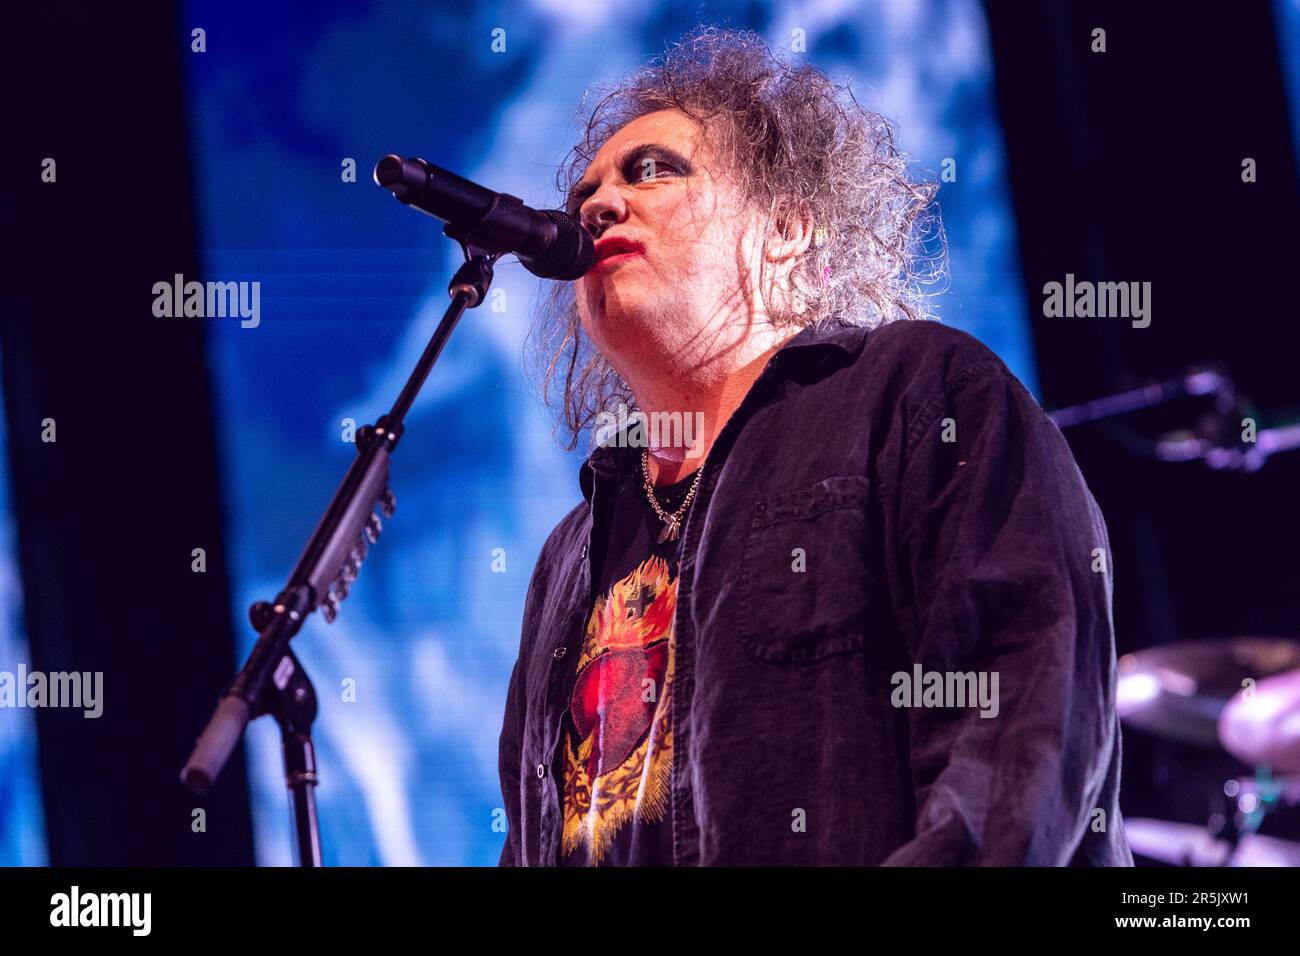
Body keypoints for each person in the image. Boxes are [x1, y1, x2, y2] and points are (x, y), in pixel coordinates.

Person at [497, 26, 1132, 866]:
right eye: (587, 192)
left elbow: (1017, 738)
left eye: (651, 171)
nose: (598, 205)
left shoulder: (922, 393)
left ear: (787, 226)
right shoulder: (569, 557)